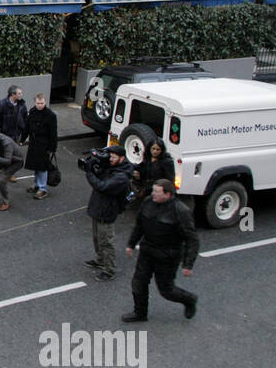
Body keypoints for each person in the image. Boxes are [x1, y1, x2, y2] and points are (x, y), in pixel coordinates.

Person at [123, 178, 198, 322]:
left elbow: (192, 239)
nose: (153, 194)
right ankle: (140, 313)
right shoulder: (148, 202)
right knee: (138, 282)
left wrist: (188, 264)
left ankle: (189, 300)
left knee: (166, 291)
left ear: (168, 194)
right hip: (147, 251)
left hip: (167, 256)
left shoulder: (181, 211)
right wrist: (131, 244)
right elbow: (139, 225)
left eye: (157, 192)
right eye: (153, 190)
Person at [84, 146, 134, 281]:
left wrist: (89, 173)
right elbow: (100, 175)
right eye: (109, 156)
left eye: (113, 157)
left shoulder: (121, 176)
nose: (110, 159)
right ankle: (100, 260)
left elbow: (102, 186)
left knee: (106, 241)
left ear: (122, 158)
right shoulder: (112, 167)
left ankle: (109, 269)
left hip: (107, 211)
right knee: (97, 238)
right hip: (98, 207)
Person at [24, 93, 58, 200]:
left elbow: (53, 133)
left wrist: (52, 148)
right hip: (34, 143)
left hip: (44, 145)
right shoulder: (32, 112)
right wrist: (22, 138)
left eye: (42, 103)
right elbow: (27, 126)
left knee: (42, 167)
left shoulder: (50, 115)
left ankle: (43, 189)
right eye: (38, 103)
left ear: (45, 102)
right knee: (36, 165)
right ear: (35, 102)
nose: (40, 105)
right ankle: (37, 185)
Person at [132, 138, 176, 209]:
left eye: (158, 149)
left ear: (161, 150)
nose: (155, 151)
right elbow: (140, 167)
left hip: (158, 191)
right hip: (146, 189)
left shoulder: (166, 162)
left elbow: (170, 180)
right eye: (153, 149)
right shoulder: (148, 159)